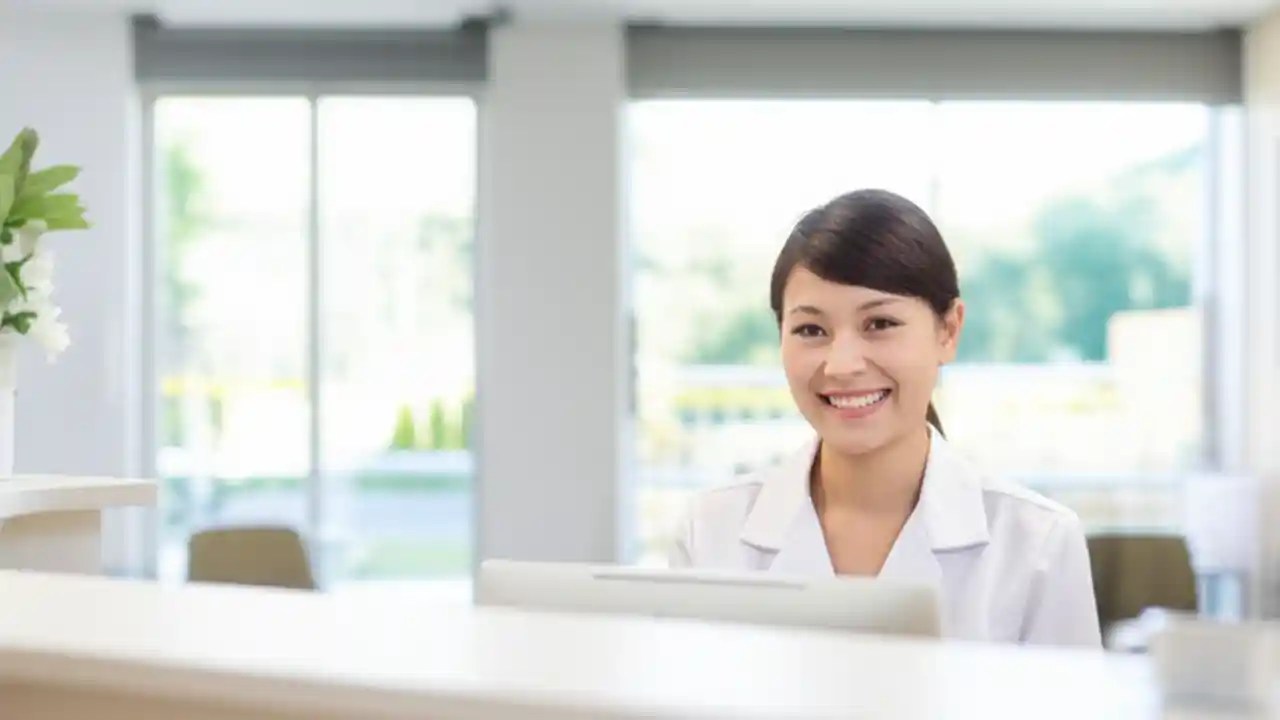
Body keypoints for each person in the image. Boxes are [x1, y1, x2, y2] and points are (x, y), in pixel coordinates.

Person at [669, 189, 1101, 647]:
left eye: (879, 324)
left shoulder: (1038, 544)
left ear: (948, 330)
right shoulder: (711, 530)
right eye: (811, 330)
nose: (842, 365)